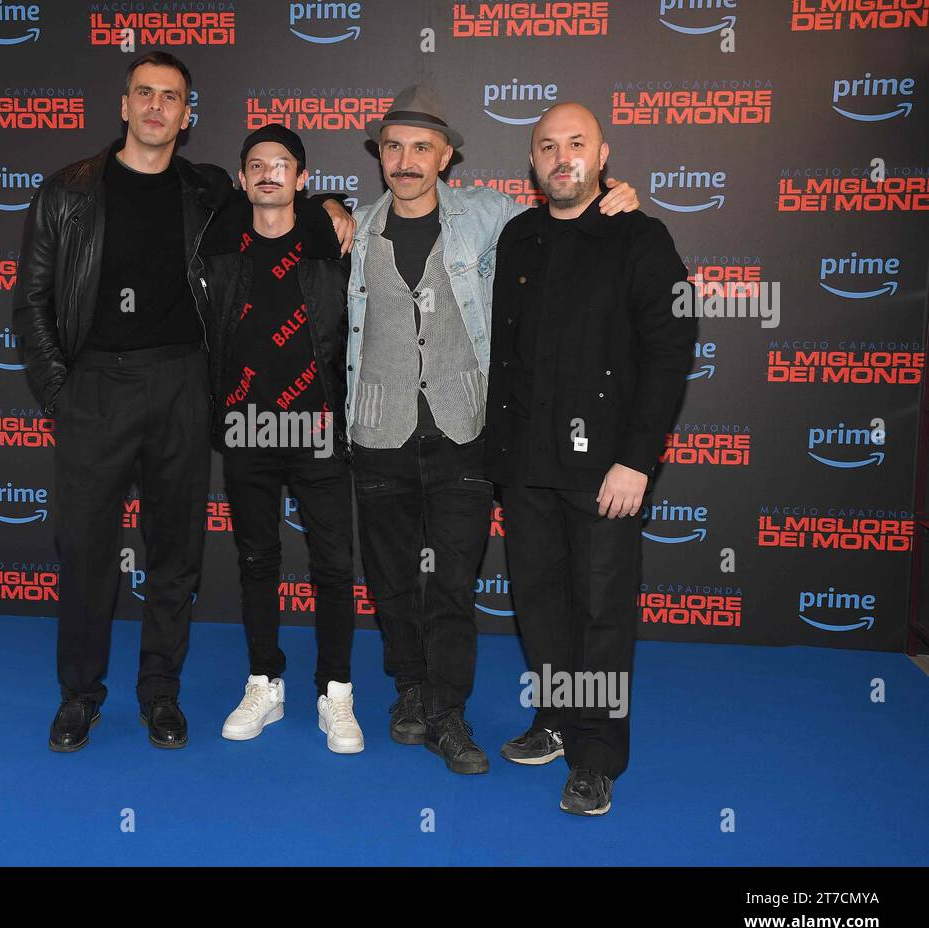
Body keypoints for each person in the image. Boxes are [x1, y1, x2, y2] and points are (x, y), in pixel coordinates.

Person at [12, 52, 353, 753]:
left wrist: (332, 203)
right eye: (145, 94)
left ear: (187, 114)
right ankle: (80, 694)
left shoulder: (208, 192)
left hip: (182, 382)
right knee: (84, 550)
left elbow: (281, 207)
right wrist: (62, 392)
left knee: (175, 552)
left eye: (172, 97)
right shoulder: (68, 191)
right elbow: (33, 302)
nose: (157, 107)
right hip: (96, 385)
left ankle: (159, 692)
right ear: (123, 104)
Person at [346, 86, 639, 774]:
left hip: (466, 437)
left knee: (452, 586)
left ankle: (450, 710)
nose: (407, 159)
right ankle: (410, 692)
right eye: (393, 146)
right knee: (392, 586)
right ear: (379, 156)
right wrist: (326, 207)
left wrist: (619, 192)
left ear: (447, 156)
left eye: (422, 146)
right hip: (377, 435)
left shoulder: (491, 216)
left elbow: (572, 206)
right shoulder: (352, 230)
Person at [484, 103, 696, 814]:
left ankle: (596, 754)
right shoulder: (517, 236)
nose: (561, 156)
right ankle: (556, 717)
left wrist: (637, 460)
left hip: (607, 467)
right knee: (540, 604)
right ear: (534, 161)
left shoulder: (641, 237)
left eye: (576, 143)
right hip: (526, 465)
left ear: (602, 154)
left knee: (602, 611)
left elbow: (669, 354)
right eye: (547, 146)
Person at [200, 125, 361, 753]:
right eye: (257, 165)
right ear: (242, 179)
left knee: (334, 566)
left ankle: (336, 693)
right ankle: (265, 681)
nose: (270, 174)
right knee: (257, 561)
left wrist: (337, 204)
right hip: (246, 427)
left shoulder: (330, 241)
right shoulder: (218, 243)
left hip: (318, 428)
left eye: (283, 165)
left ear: (302, 178)